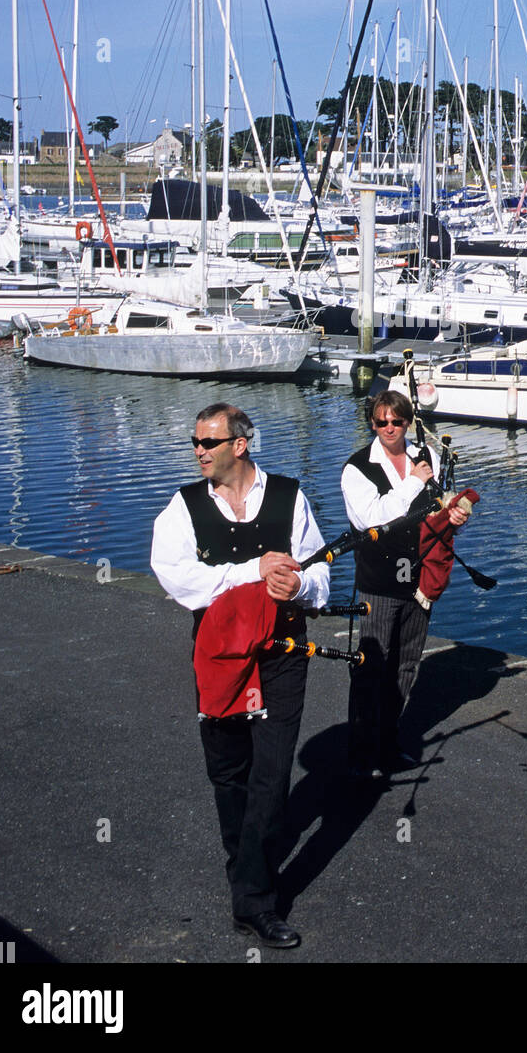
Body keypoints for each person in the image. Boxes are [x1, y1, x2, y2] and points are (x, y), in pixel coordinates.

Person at [151, 401, 329, 948]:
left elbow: (319, 570)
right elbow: (176, 579)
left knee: (271, 778)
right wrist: (252, 573)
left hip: (282, 652)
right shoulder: (182, 509)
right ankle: (244, 867)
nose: (198, 452)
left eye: (208, 443)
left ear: (240, 445)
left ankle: (254, 902)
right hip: (219, 655)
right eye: (195, 443)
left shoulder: (289, 497)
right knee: (229, 773)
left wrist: (297, 588)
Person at [341, 389, 470, 779]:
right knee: (372, 665)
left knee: (406, 663)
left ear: (408, 421)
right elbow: (373, 520)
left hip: (419, 577)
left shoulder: (423, 456)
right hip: (380, 579)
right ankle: (362, 753)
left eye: (398, 421)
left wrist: (452, 512)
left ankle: (388, 742)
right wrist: (413, 483)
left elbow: (432, 507)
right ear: (372, 423)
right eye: (382, 422)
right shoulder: (357, 469)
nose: (390, 428)